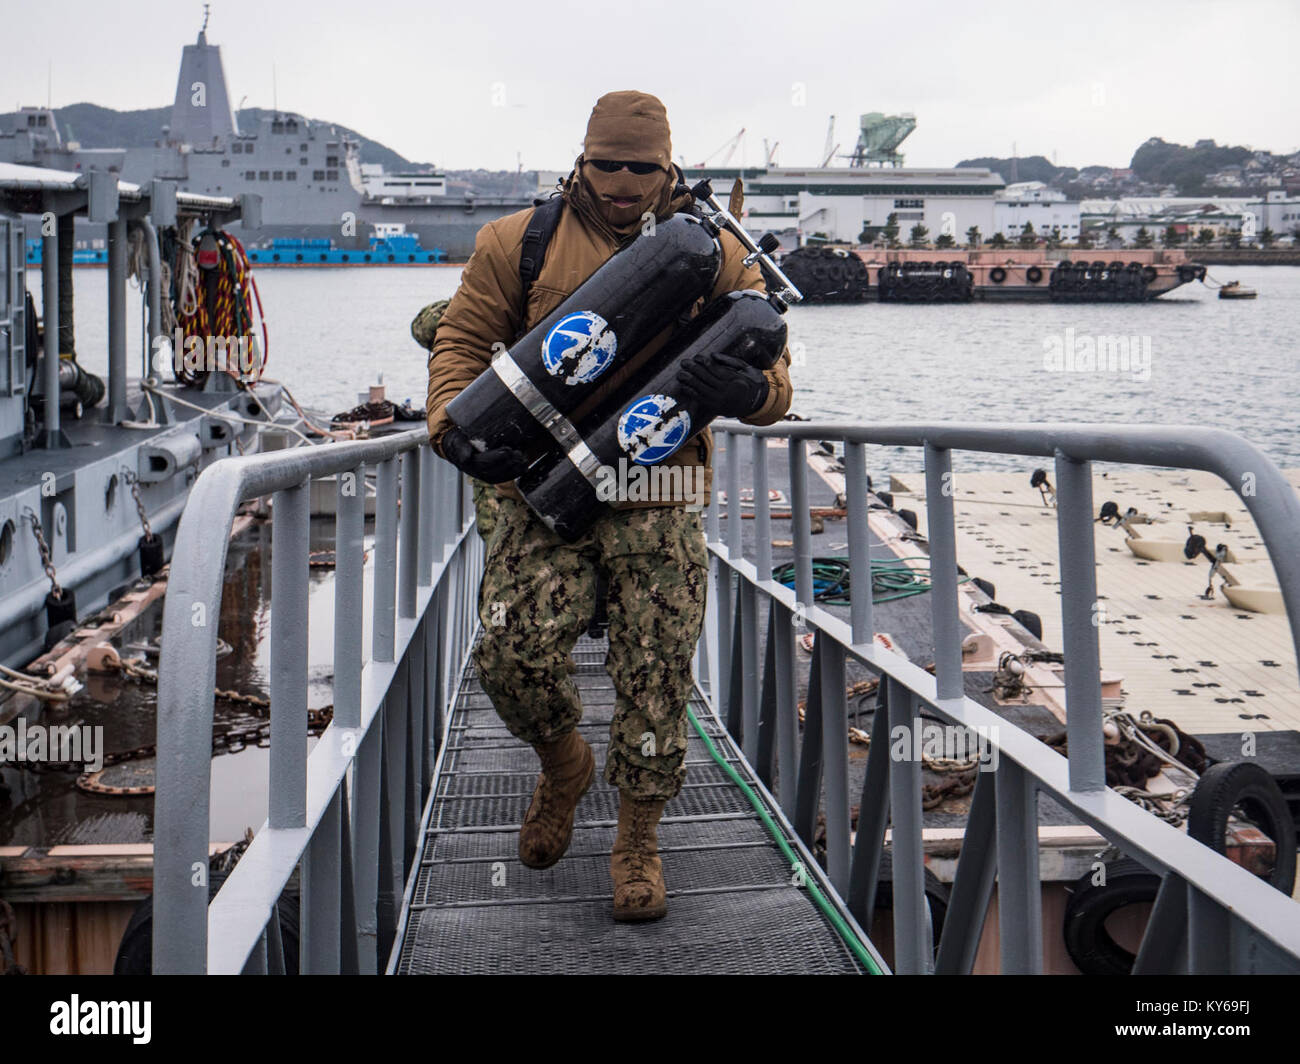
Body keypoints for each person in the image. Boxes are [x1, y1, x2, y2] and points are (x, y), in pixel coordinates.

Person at [425, 90, 792, 922]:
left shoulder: (719, 254)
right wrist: (448, 420)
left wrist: (751, 391)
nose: (624, 183)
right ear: (581, 159)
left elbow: (777, 376)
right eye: (608, 165)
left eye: (643, 167)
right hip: (539, 488)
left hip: (656, 490)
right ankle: (563, 764)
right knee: (510, 657)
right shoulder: (516, 243)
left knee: (656, 675)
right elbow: (458, 335)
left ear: (670, 167)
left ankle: (637, 840)